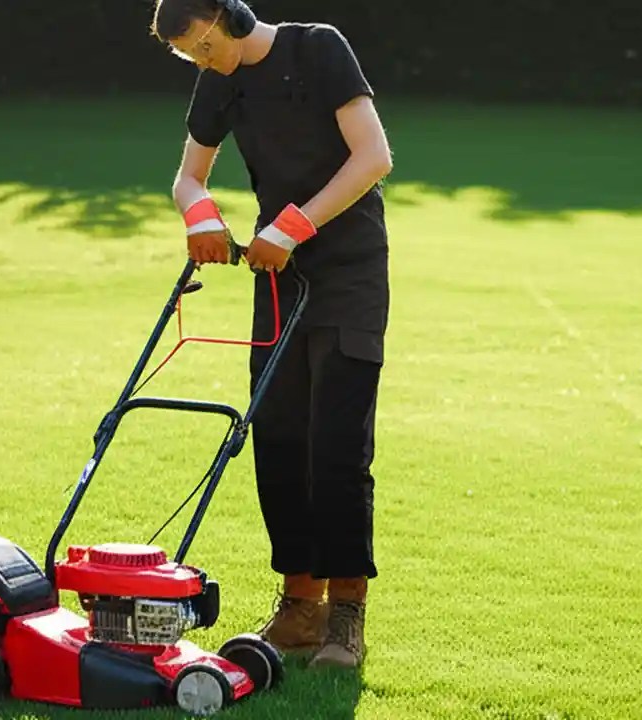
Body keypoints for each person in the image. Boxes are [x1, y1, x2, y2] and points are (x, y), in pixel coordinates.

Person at [150, 0, 393, 669]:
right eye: (190, 56)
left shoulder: (319, 48)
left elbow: (373, 157)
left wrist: (291, 227)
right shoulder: (219, 81)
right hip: (278, 276)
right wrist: (198, 213)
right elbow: (187, 175)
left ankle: (347, 616)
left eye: (204, 45)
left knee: (338, 445)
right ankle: (299, 607)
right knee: (278, 437)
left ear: (228, 15)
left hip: (347, 272)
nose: (203, 61)